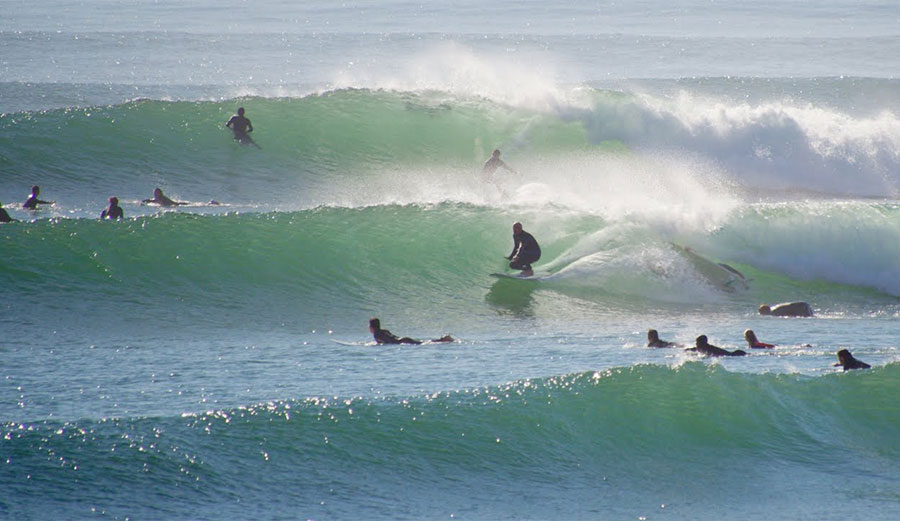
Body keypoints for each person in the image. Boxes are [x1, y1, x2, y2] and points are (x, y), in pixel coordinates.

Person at [368, 318, 453, 345]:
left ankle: (443, 340)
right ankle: (443, 339)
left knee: (423, 343)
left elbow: (383, 342)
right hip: (403, 339)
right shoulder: (384, 330)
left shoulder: (376, 334)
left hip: (402, 342)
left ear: (372, 327)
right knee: (423, 343)